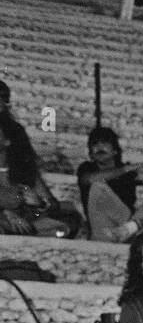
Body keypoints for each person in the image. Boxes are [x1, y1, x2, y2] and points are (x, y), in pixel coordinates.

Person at [0, 81, 81, 237]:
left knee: (68, 222)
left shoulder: (22, 167)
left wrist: (41, 204)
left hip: (26, 221)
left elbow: (52, 204)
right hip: (5, 221)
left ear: (8, 139)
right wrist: (5, 213)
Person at [76, 126, 143, 242]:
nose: (99, 147)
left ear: (115, 150)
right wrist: (129, 168)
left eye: (104, 144)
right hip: (104, 231)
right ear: (91, 154)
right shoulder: (87, 168)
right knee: (97, 188)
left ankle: (131, 229)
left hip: (129, 229)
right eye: (95, 145)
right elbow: (90, 180)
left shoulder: (128, 172)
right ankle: (133, 228)